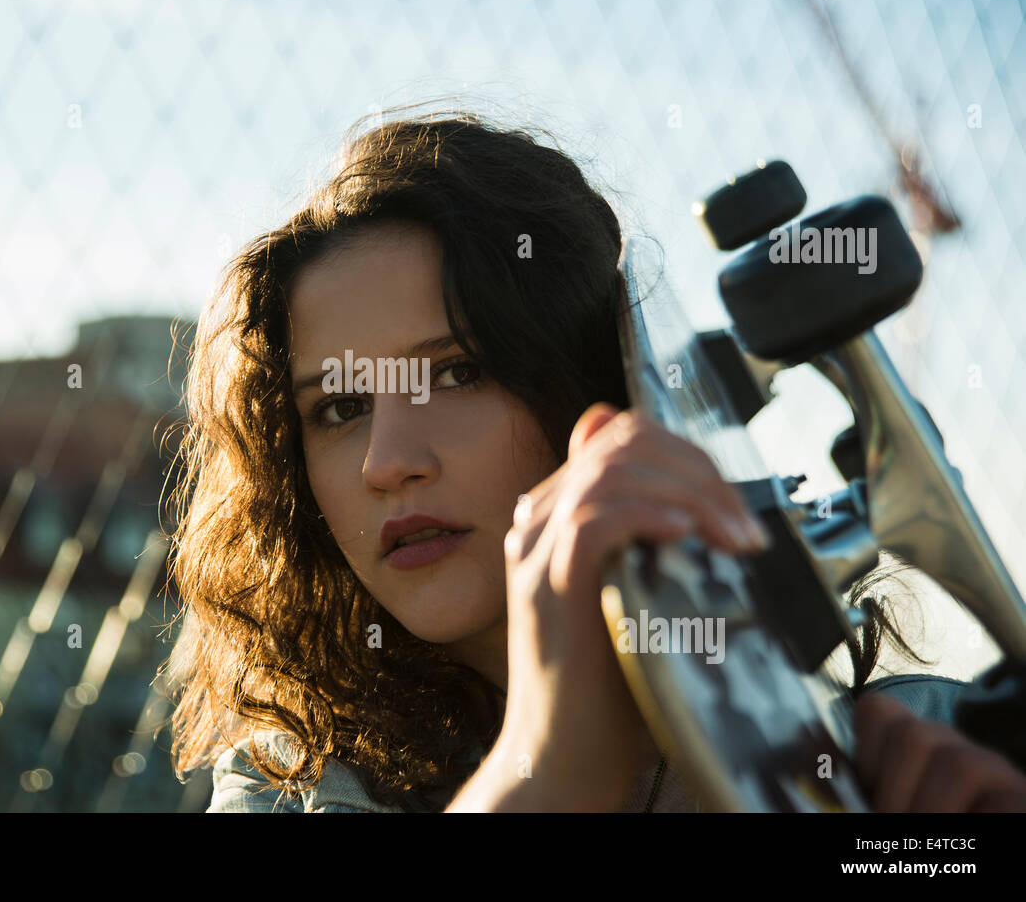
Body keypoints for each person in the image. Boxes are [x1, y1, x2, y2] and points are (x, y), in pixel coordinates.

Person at [160, 106, 1026, 813]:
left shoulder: (896, 758)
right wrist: (550, 765)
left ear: (596, 387)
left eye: (460, 371)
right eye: (340, 407)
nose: (386, 461)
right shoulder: (294, 786)